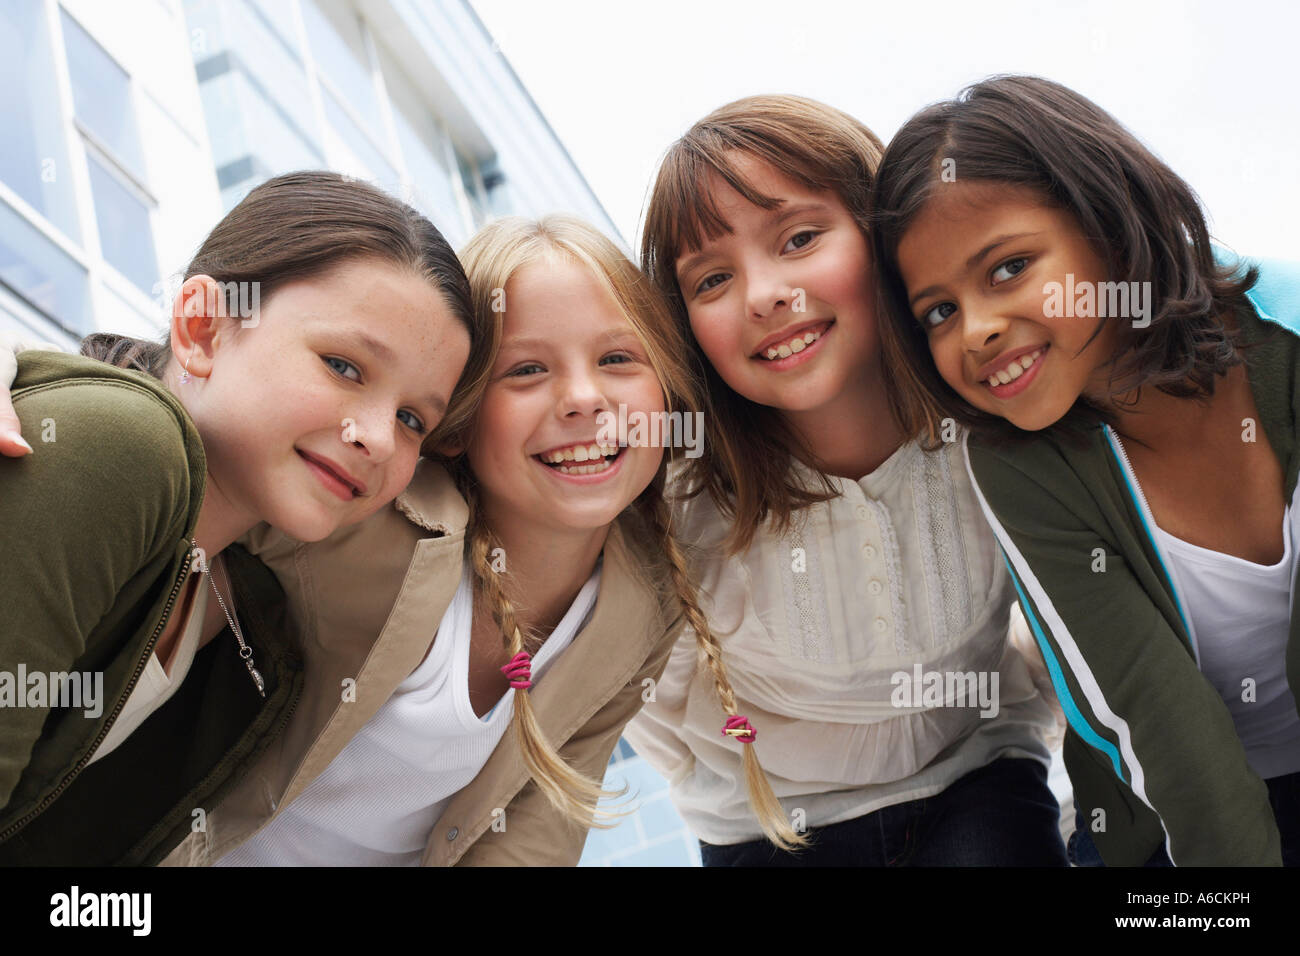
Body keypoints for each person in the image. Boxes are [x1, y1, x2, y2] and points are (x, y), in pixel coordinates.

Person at [870, 74, 1300, 866]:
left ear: (1107, 221)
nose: (977, 331)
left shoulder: (1291, 333)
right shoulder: (1017, 463)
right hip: (1167, 828)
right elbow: (1157, 716)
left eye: (1007, 268)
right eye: (939, 310)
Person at [625, 95, 1063, 866]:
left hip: (976, 774)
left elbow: (1068, 609)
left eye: (798, 238)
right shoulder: (683, 495)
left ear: (884, 236)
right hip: (767, 821)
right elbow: (652, 700)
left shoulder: (988, 427)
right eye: (712, 279)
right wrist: (717, 777)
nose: (763, 294)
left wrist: (1016, 703)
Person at [0, 170, 476, 865]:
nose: (377, 437)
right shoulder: (125, 447)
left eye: (413, 419)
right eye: (343, 365)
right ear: (203, 328)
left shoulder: (237, 610)